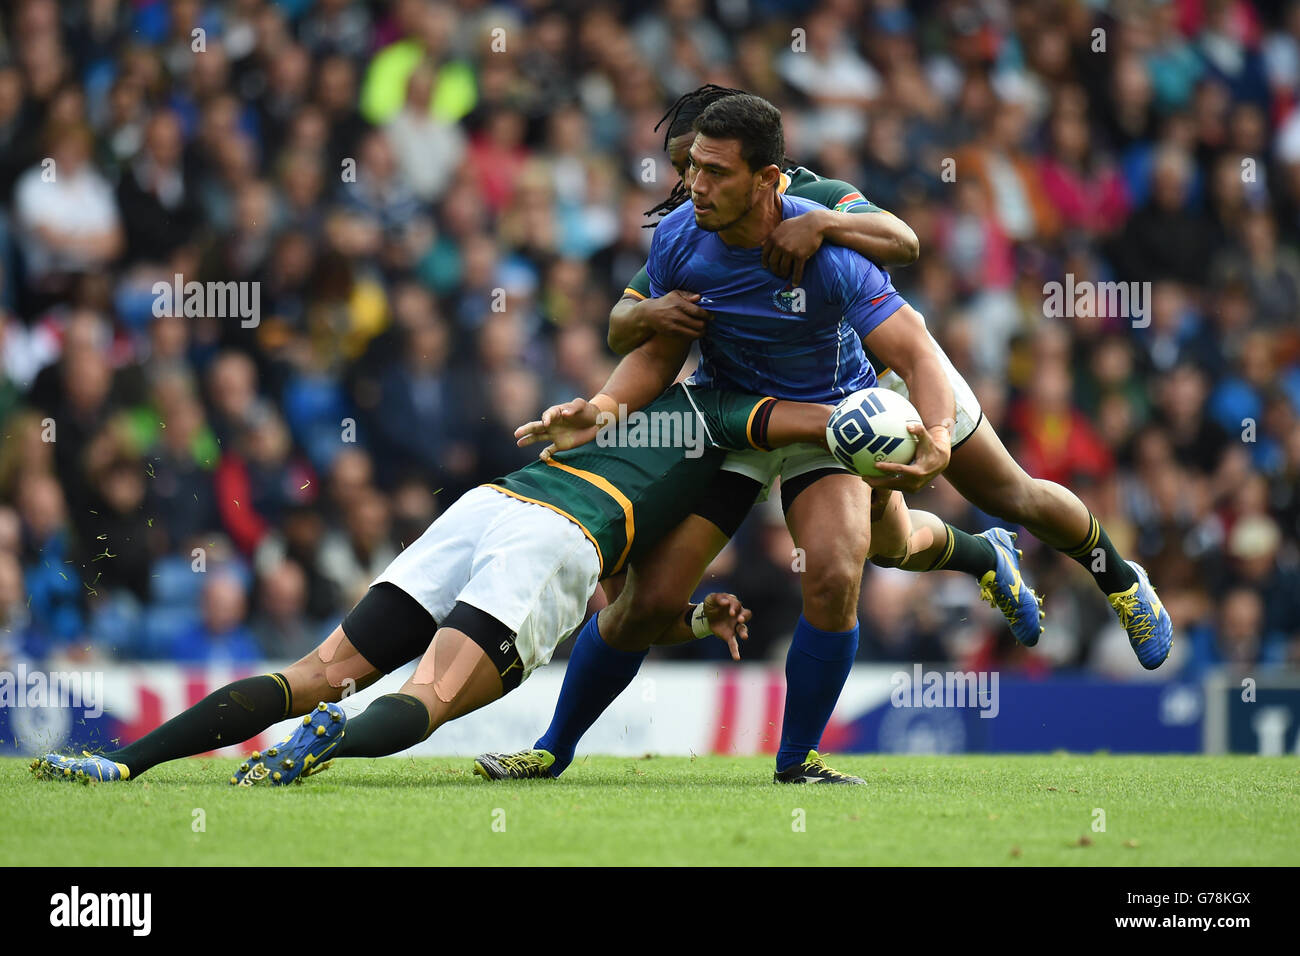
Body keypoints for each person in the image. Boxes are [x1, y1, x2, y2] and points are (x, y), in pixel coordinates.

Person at [30, 341, 840, 785]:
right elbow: (827, 420)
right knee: (434, 695)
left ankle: (120, 764)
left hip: (485, 509)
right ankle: (330, 742)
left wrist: (693, 615)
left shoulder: (639, 398)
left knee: (318, 667)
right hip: (556, 539)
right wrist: (916, 427)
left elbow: (625, 605)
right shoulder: (736, 410)